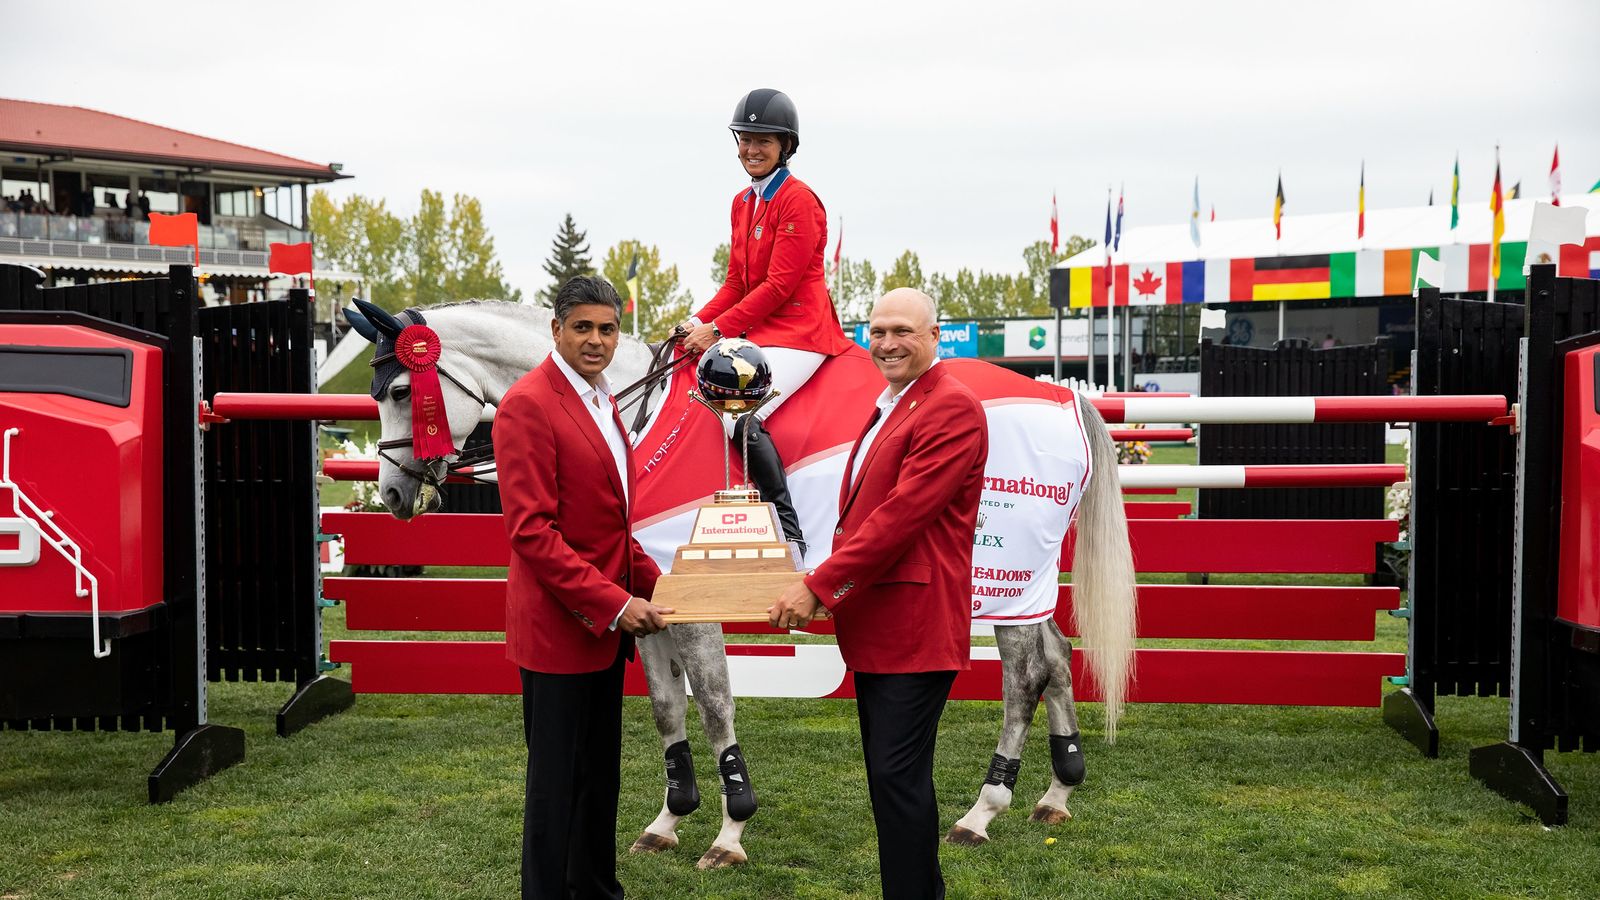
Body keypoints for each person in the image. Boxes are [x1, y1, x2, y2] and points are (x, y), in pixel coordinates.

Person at [768, 287, 988, 900]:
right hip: (884, 623)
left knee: (896, 778)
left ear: (934, 336)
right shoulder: (894, 402)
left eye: (903, 331)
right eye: (878, 330)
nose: (887, 343)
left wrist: (819, 586)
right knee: (894, 779)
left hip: (914, 624)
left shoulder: (951, 407)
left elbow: (899, 517)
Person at [495, 275, 675, 899]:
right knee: (556, 789)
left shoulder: (601, 400)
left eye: (606, 328)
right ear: (556, 330)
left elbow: (609, 524)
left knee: (598, 779)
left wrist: (662, 585)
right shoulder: (528, 403)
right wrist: (617, 603)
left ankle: (597, 890)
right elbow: (532, 532)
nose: (596, 340)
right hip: (560, 631)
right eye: (583, 328)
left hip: (602, 630)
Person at [677, 88, 853, 554]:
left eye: (764, 141)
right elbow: (737, 282)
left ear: (785, 147)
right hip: (758, 331)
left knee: (738, 410)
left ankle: (790, 532)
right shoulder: (741, 202)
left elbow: (778, 286)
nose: (752, 149)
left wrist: (716, 332)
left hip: (800, 334)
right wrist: (692, 321)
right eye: (745, 139)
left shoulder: (799, 201)